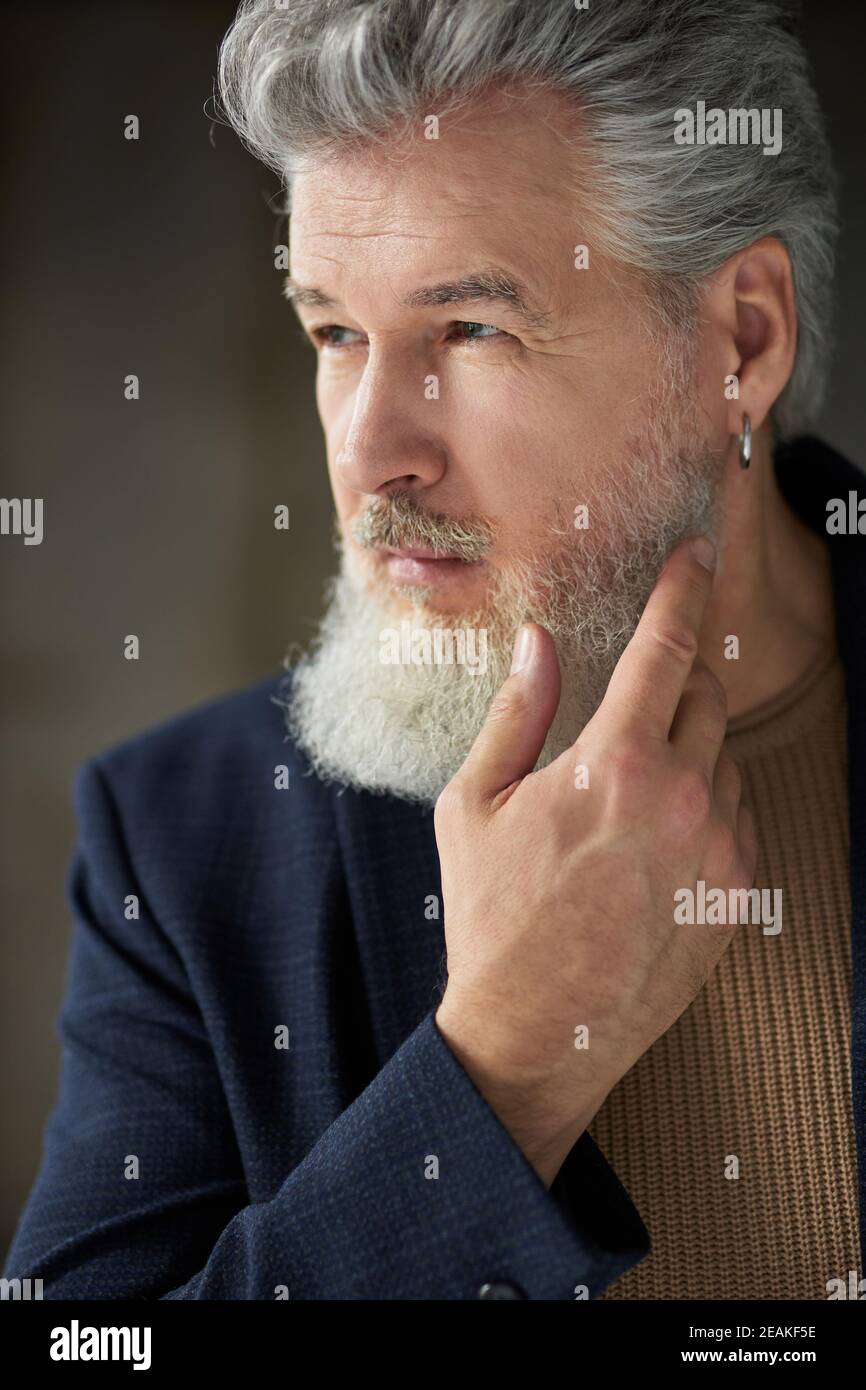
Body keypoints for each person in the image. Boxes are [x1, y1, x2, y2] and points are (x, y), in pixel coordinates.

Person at [4, 0, 862, 1300]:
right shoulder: (182, 840)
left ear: (739, 339)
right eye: (335, 332)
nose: (362, 453)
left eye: (470, 330)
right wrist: (506, 1068)